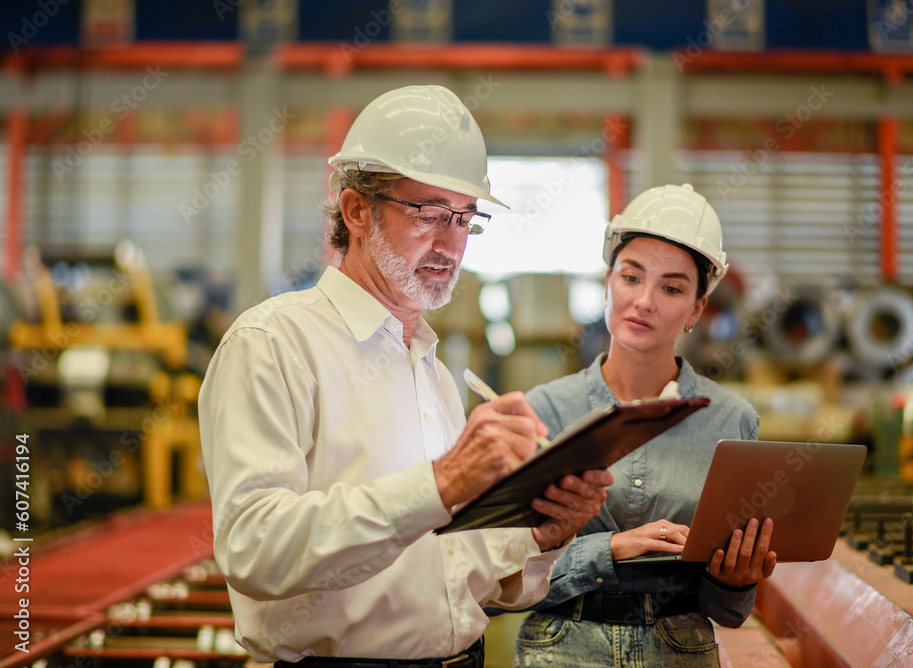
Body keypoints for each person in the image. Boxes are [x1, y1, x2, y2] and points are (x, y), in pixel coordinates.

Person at [198, 85, 614, 668]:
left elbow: (448, 565)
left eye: (466, 219)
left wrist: (540, 536)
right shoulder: (273, 346)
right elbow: (255, 547)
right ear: (356, 211)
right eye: (430, 213)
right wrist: (441, 483)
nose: (451, 243)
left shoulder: (433, 373)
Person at [512, 184, 777, 667]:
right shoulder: (545, 410)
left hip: (681, 651)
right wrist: (609, 549)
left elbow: (728, 611)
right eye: (631, 277)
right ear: (607, 280)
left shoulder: (729, 419)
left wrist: (735, 581)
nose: (645, 301)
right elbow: (501, 579)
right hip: (559, 648)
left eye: (672, 288)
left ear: (697, 308)